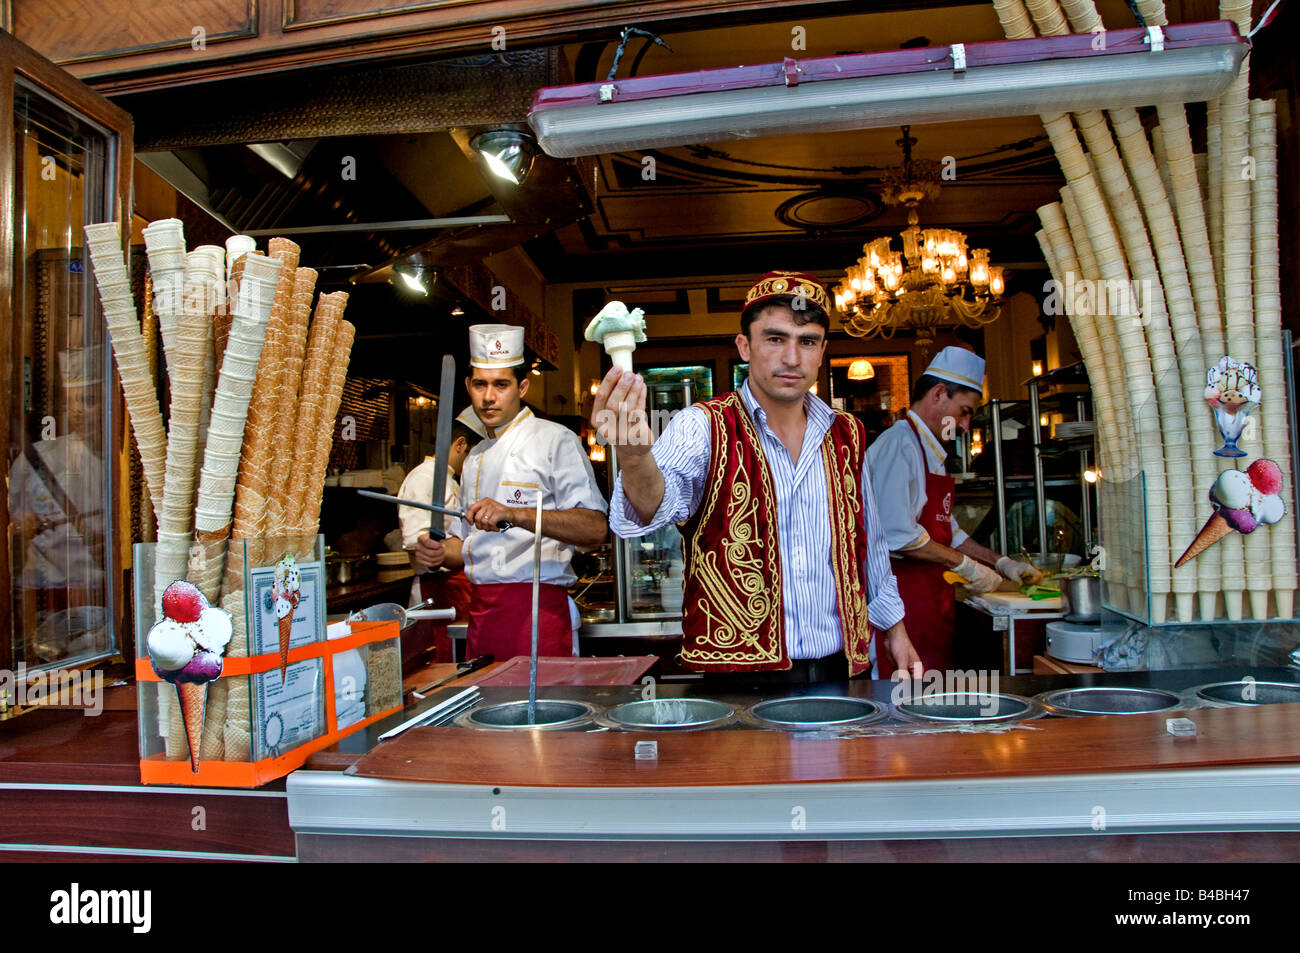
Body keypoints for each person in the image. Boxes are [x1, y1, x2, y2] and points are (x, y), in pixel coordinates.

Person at [595, 270, 922, 682]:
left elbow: (868, 542)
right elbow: (649, 511)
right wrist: (633, 453)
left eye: (807, 342)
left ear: (823, 351)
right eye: (775, 338)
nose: (792, 357)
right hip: (740, 678)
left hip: (842, 669)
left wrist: (895, 629)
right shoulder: (703, 425)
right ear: (744, 346)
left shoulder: (847, 432)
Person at [412, 324, 608, 659]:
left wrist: (515, 514)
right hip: (481, 616)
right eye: (480, 384)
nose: (488, 396)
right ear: (467, 387)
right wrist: (439, 552)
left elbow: (594, 529)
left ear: (523, 386)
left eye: (501, 384)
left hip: (537, 611)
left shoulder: (554, 439)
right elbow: (470, 548)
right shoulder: (474, 457)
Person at [866, 346, 1044, 677]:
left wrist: (1000, 562)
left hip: (932, 603)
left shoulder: (930, 449)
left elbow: (947, 528)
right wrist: (965, 566)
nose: (964, 426)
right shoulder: (899, 445)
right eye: (963, 412)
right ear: (937, 394)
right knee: (904, 709)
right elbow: (898, 535)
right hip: (903, 606)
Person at [397, 409, 484, 667]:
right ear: (460, 445)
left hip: (457, 587)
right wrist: (434, 550)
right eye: (469, 455)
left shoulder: (450, 481)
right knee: (440, 663)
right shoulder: (424, 477)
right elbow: (416, 541)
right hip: (436, 588)